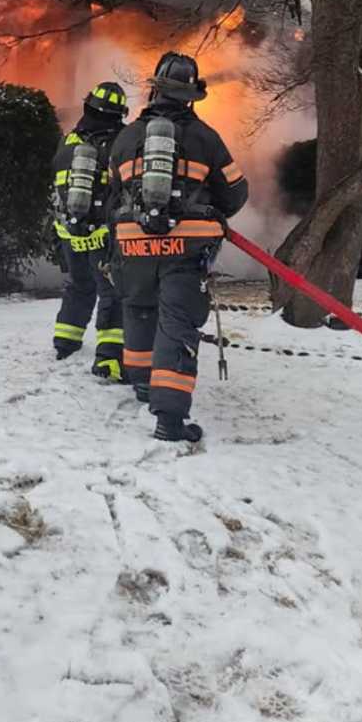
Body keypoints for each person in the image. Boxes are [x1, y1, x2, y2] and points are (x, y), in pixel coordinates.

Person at [109, 52, 249, 443]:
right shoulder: (205, 138)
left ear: (154, 89)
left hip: (133, 244)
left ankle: (142, 384)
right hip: (185, 249)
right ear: (191, 96)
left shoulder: (126, 138)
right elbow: (236, 193)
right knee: (176, 325)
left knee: (137, 310)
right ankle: (169, 420)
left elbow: (112, 194)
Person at [50, 81, 129, 381]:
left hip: (70, 232)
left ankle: (65, 341)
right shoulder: (120, 141)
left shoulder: (69, 140)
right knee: (112, 293)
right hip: (103, 235)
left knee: (78, 287)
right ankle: (109, 359)